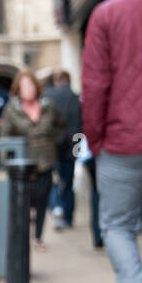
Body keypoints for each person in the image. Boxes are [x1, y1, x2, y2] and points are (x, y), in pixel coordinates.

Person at [82, 0, 142, 283]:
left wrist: (95, 140)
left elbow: (95, 86)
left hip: (122, 142)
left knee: (118, 225)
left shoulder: (107, 13)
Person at [0, 71, 65, 251]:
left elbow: (61, 124)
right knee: (24, 202)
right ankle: (22, 236)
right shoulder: (11, 109)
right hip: (23, 162)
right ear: (18, 89)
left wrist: (54, 140)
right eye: (25, 86)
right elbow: (4, 136)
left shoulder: (48, 105)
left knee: (42, 199)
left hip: (45, 159)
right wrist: (6, 160)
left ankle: (38, 236)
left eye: (31, 85)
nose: (29, 89)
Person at [44, 69, 82, 229]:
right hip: (73, 145)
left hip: (54, 145)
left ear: (57, 81)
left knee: (54, 179)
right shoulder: (76, 99)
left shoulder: (50, 97)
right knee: (69, 181)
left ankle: (57, 207)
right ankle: (68, 216)